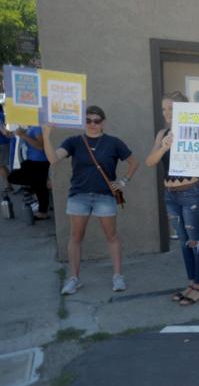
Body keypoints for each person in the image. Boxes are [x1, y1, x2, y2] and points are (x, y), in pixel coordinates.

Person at [42, 106, 140, 294]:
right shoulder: (74, 141)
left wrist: (123, 182)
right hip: (79, 195)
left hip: (105, 196)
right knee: (76, 237)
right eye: (88, 120)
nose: (92, 124)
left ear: (103, 122)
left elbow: (134, 162)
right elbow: (53, 159)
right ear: (82, 122)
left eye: (96, 120)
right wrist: (46, 135)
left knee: (111, 237)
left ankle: (118, 277)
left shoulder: (113, 142)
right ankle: (73, 279)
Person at [145, 92, 199, 306]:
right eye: (164, 109)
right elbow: (150, 162)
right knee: (183, 242)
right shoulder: (163, 133)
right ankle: (190, 283)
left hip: (192, 193)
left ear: (183, 110)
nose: (167, 113)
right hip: (170, 194)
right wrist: (164, 146)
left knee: (196, 242)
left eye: (171, 108)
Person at [7, 126, 51, 219]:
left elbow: (40, 146)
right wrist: (16, 133)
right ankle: (36, 199)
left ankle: (43, 212)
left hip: (40, 162)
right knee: (13, 177)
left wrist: (23, 135)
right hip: (29, 161)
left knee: (40, 188)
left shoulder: (37, 127)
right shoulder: (30, 126)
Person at [0, 104, 12, 193]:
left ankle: (8, 185)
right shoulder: (1, 114)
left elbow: (2, 129)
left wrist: (6, 133)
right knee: (2, 166)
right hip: (3, 142)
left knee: (1, 166)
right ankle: (9, 184)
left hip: (1, 143)